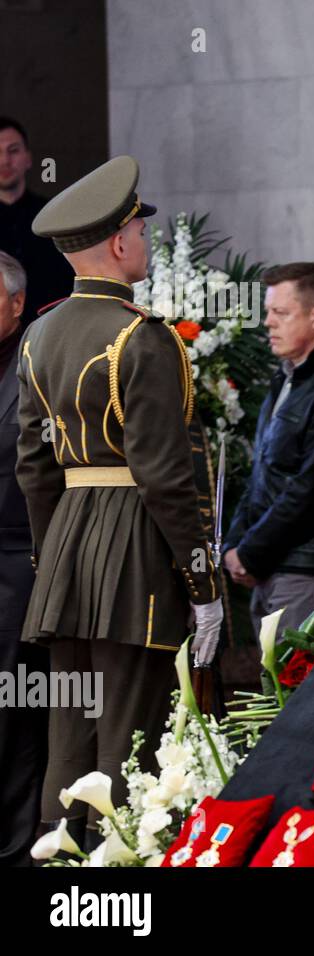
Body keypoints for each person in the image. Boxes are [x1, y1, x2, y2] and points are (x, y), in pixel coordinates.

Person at [17, 156, 223, 840]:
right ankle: (124, 879)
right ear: (116, 242)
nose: (144, 241)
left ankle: (63, 874)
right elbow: (167, 477)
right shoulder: (142, 337)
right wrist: (203, 583)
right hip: (136, 552)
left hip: (69, 549)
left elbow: (35, 468)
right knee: (131, 732)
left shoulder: (38, 335)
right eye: (139, 228)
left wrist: (57, 561)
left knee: (70, 734)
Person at [222, 262, 314, 640]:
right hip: (268, 566)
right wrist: (235, 545)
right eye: (268, 312)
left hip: (302, 570)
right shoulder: (285, 376)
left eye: (280, 313)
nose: (268, 322)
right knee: (270, 690)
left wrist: (249, 554)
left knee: (293, 691)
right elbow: (261, 473)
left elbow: (310, 491)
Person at [0, 250, 46, 864]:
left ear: (14, 304)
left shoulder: (34, 368)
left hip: (15, 566)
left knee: (15, 712)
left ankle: (15, 848)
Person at [0, 117, 73, 325]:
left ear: (28, 158)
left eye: (13, 150)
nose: (5, 160)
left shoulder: (53, 215)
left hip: (50, 331)